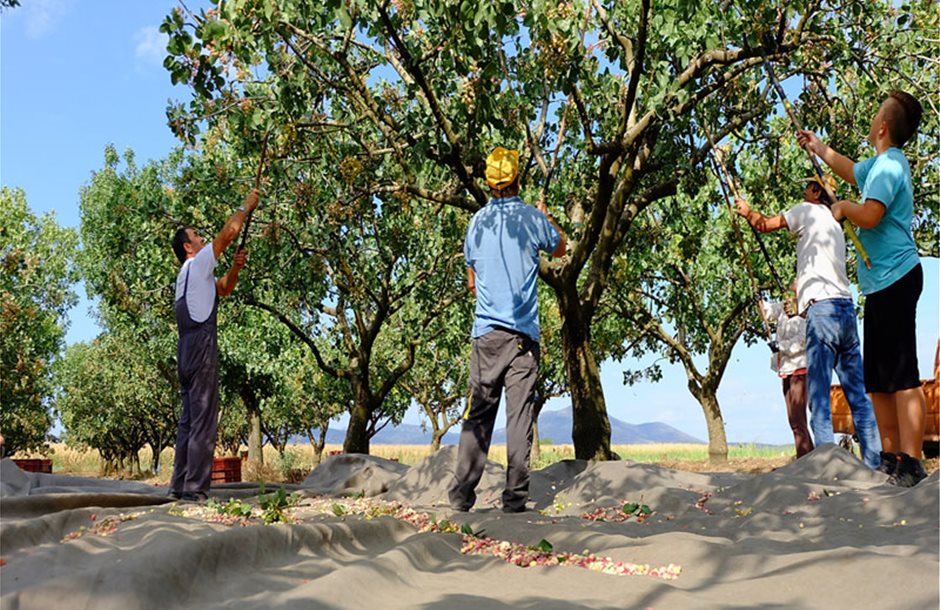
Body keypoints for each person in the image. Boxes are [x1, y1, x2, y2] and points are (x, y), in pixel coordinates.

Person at [797, 90, 927, 486]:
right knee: (879, 377)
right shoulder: (878, 165)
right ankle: (891, 458)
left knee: (903, 375)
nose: (871, 119)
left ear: (882, 127)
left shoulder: (890, 166)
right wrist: (819, 149)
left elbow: (870, 215)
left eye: (875, 114)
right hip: (880, 284)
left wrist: (843, 208)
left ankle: (914, 461)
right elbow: (851, 170)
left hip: (898, 276)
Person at [735, 175, 881, 469]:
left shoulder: (806, 210)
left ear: (816, 192)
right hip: (846, 310)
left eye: (807, 186)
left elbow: (764, 224)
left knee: (819, 403)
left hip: (823, 311)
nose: (803, 190)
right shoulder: (837, 225)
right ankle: (873, 465)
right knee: (858, 398)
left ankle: (829, 469)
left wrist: (747, 211)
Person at [449, 147, 566, 513]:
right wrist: (546, 219)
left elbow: (471, 281)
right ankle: (515, 499)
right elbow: (561, 248)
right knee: (518, 418)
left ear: (489, 182)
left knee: (479, 417)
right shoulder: (533, 219)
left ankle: (461, 497)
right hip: (522, 339)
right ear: (517, 179)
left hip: (486, 336)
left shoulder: (477, 224)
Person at [169, 188, 259, 502]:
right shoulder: (196, 265)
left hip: (185, 350)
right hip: (201, 348)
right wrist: (245, 207)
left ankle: (180, 486)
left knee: (189, 422)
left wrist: (235, 267)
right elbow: (229, 233)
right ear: (187, 247)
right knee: (204, 421)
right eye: (196, 235)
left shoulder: (187, 275)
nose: (203, 237)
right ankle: (195, 491)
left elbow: (223, 290)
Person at [761, 285, 814, 459]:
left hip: (799, 368)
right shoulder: (785, 306)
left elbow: (802, 340)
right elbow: (767, 312)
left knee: (798, 417)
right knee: (793, 418)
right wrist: (759, 299)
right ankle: (807, 455)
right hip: (786, 368)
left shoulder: (806, 310)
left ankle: (805, 457)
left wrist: (780, 346)